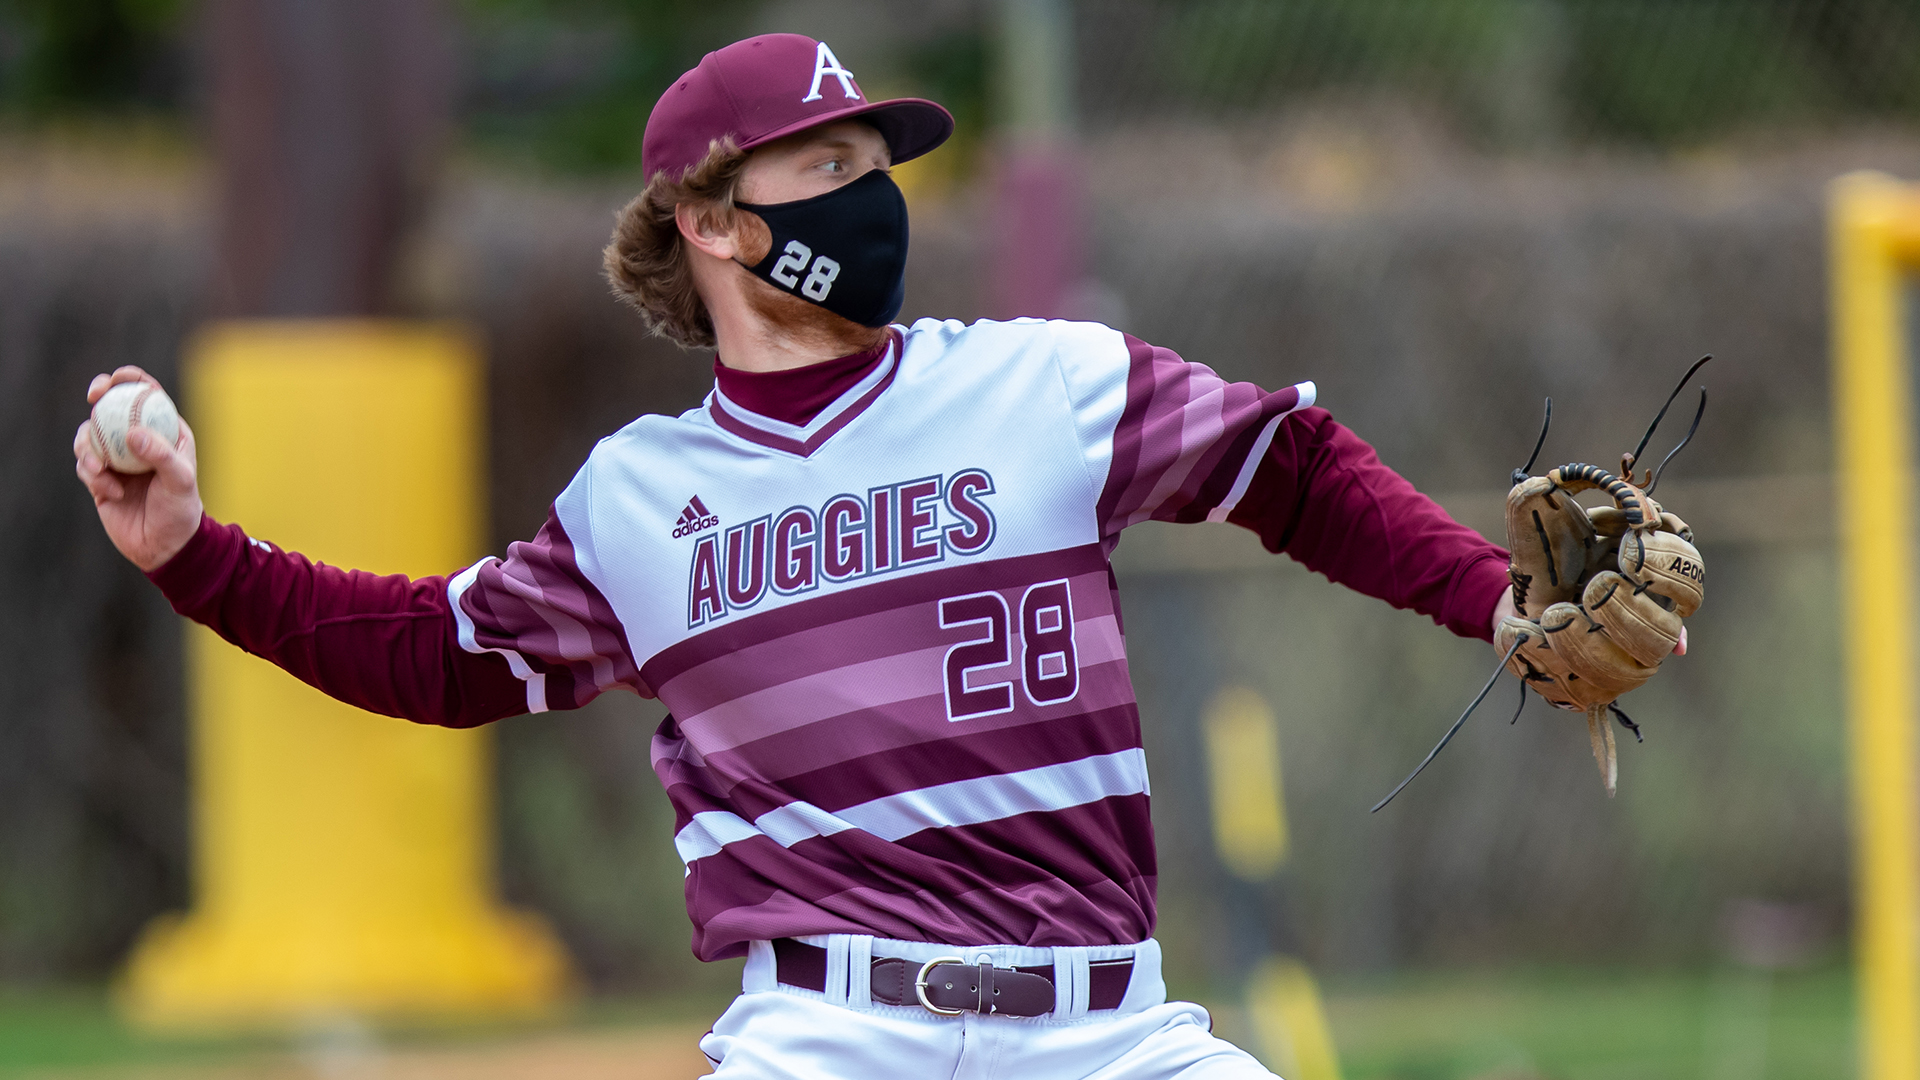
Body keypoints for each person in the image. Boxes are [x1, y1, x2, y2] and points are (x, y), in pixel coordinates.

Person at [76, 32, 1536, 1079]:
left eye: (875, 163)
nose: (871, 192)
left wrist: (1497, 599)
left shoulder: (1050, 386)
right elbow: (429, 653)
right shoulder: (636, 504)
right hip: (831, 1036)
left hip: (1108, 1030)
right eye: (826, 163)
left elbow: (1294, 466)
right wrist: (193, 554)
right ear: (708, 218)